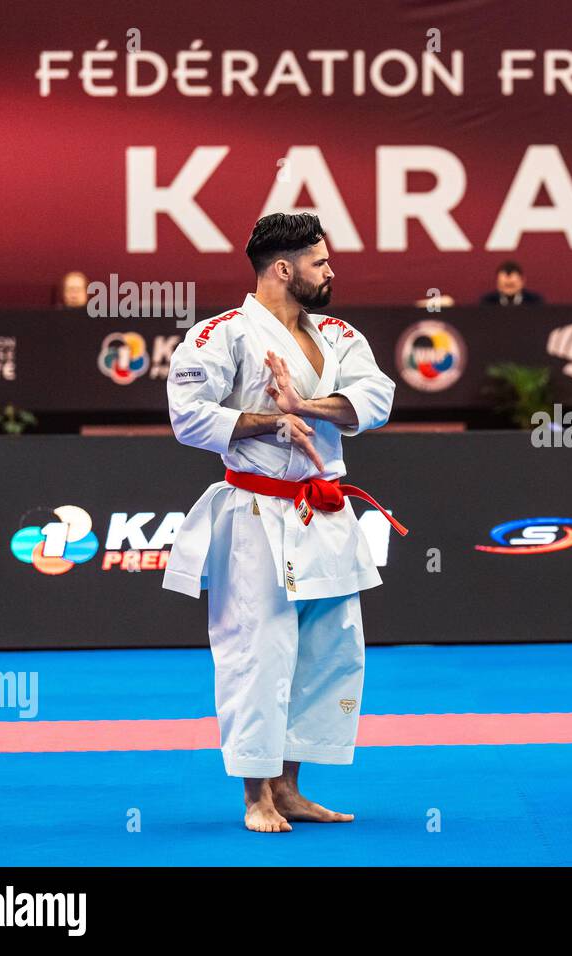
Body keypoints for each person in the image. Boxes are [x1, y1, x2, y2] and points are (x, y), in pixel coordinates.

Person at [162, 213, 403, 833]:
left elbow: (375, 400)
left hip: (322, 510)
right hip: (256, 513)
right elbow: (188, 418)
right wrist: (271, 420)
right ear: (282, 269)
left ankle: (291, 786)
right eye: (320, 262)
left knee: (332, 649)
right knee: (259, 652)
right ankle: (255, 796)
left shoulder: (338, 334)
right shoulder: (219, 335)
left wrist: (302, 404)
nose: (331, 271)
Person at [479, 260, 543, 306]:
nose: (508, 288)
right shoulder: (488, 302)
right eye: (505, 285)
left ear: (522, 281)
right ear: (497, 283)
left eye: (512, 285)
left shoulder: (534, 301)